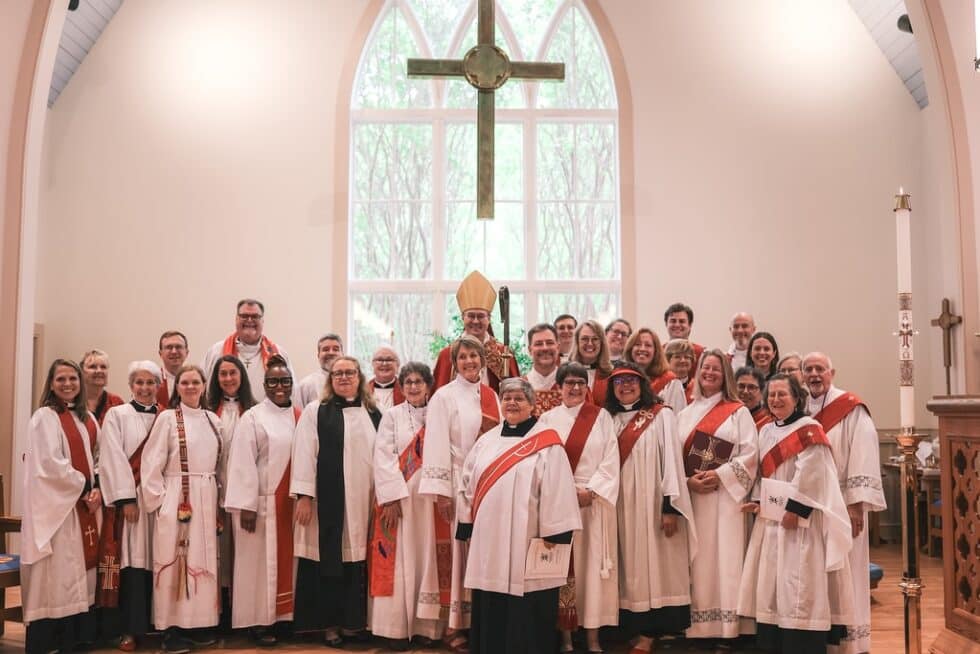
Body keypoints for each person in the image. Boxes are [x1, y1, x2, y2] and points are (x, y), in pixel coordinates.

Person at [457, 378, 581, 654]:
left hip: (529, 540)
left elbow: (558, 487)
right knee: (490, 597)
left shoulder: (547, 442)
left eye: (519, 398)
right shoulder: (486, 441)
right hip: (488, 542)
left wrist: (556, 532)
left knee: (528, 603)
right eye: (507, 398)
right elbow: (467, 483)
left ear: (532, 404)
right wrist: (466, 523)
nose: (511, 403)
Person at [738, 374, 854, 653]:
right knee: (773, 586)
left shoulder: (809, 429)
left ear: (796, 398)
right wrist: (760, 503)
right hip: (772, 520)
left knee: (798, 584)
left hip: (800, 523)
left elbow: (813, 474)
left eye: (782, 394)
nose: (776, 400)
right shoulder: (766, 430)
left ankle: (802, 645)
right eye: (772, 395)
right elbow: (764, 474)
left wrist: (795, 509)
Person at [290, 356, 381, 646]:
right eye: (338, 373)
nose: (343, 377)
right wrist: (304, 496)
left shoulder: (373, 412)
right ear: (330, 379)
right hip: (328, 502)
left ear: (359, 377)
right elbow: (304, 453)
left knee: (358, 561)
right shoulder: (316, 410)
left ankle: (354, 624)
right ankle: (329, 625)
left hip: (364, 501)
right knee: (330, 560)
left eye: (349, 372)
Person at [606, 363, 696, 654]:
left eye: (631, 380)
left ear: (642, 384)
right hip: (618, 506)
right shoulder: (607, 418)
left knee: (655, 565)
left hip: (652, 503)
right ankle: (630, 629)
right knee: (627, 566)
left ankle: (650, 632)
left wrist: (670, 506)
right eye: (619, 381)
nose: (625, 386)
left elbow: (672, 460)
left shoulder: (661, 415)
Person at [419, 335, 501, 652]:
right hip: (455, 483)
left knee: (480, 553)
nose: (469, 361)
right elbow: (436, 442)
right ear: (454, 363)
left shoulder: (492, 396)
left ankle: (477, 619)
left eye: (474, 356)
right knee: (456, 553)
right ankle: (453, 624)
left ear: (482, 360)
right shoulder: (444, 396)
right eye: (463, 357)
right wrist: (442, 492)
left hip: (484, 483)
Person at [803, 352, 885, 654]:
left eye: (820, 369)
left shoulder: (851, 408)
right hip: (811, 505)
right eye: (808, 369)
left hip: (843, 505)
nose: (814, 374)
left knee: (848, 573)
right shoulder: (800, 407)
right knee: (814, 574)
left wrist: (855, 505)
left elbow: (863, 454)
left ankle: (851, 642)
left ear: (832, 373)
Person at [538, 363, 620, 654]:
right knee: (563, 569)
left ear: (587, 387)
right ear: (558, 387)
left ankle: (593, 636)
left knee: (592, 571)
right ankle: (566, 638)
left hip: (593, 502)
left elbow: (611, 458)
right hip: (560, 504)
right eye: (569, 383)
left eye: (580, 383)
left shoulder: (602, 417)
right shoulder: (546, 419)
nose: (574, 388)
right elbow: (541, 461)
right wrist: (565, 492)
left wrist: (592, 491)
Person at [676, 349, 757, 643]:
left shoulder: (738, 412)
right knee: (698, 560)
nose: (709, 373)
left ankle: (728, 629)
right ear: (698, 372)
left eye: (716, 369)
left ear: (725, 375)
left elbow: (751, 454)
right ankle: (698, 627)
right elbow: (674, 460)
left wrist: (721, 475)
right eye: (705, 368)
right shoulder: (684, 414)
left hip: (725, 500)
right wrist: (688, 482)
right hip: (695, 498)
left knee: (727, 558)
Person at [22, 359, 101, 654]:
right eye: (61, 379)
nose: (67, 384)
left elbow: (99, 457)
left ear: (80, 382)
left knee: (77, 575)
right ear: (51, 384)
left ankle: (73, 639)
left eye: (72, 379)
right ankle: (47, 641)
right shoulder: (44, 417)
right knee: (55, 575)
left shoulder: (87, 418)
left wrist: (98, 488)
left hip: (83, 507)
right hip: (57, 510)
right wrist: (85, 485)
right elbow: (49, 465)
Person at [141, 364, 222, 653]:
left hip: (206, 495)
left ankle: (198, 624)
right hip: (178, 498)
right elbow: (151, 463)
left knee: (202, 559)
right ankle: (171, 629)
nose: (190, 387)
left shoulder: (213, 420)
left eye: (195, 382)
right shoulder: (167, 419)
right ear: (177, 387)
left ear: (204, 385)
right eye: (184, 382)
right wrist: (161, 502)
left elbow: (221, 463)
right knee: (175, 559)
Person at [369, 362, 447, 649]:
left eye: (419, 381)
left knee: (429, 559)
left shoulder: (439, 415)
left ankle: (427, 629)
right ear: (401, 388)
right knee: (400, 561)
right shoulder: (392, 416)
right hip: (401, 502)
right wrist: (389, 498)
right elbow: (383, 456)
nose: (413, 387)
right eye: (408, 382)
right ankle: (396, 629)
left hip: (431, 502)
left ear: (428, 385)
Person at [222, 354, 299, 645]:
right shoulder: (253, 417)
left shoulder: (300, 415)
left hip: (289, 504)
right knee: (256, 566)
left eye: (285, 381)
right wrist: (247, 505)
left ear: (292, 383)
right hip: (260, 503)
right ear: (264, 385)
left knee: (287, 565)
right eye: (273, 381)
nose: (280, 386)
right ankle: (257, 621)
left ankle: (283, 618)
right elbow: (242, 462)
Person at [98, 360, 164, 651]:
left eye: (150, 382)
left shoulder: (166, 416)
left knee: (159, 562)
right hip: (133, 503)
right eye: (139, 382)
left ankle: (158, 626)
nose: (145, 388)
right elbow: (111, 457)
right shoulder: (117, 415)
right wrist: (126, 499)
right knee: (134, 563)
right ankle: (130, 629)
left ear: (159, 386)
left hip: (160, 502)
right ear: (130, 385)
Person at [205, 354, 257, 622]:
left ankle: (242, 609)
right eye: (222, 374)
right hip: (213, 488)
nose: (228, 379)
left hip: (244, 490)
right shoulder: (206, 410)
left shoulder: (254, 411)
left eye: (232, 373)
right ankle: (219, 610)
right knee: (217, 550)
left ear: (242, 377)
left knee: (242, 551)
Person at [431, 270, 519, 392]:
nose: (476, 321)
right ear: (463, 317)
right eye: (471, 316)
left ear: (489, 319)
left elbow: (516, 394)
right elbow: (438, 395)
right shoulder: (447, 355)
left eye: (481, 316)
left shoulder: (503, 354)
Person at [202, 298, 291, 402]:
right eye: (244, 316)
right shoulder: (216, 351)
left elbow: (291, 392)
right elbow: (201, 387)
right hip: (225, 410)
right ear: (236, 319)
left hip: (268, 412)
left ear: (262, 321)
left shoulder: (278, 354)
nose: (249, 320)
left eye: (255, 316)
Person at [624, 327, 687, 412]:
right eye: (637, 344)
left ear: (656, 351)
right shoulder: (622, 380)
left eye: (648, 345)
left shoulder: (671, 383)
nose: (642, 349)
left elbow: (678, 416)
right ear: (630, 349)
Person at [570, 319, 613, 406]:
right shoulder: (566, 372)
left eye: (595, 339)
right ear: (577, 342)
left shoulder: (611, 374)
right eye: (584, 339)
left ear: (602, 343)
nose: (590, 343)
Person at [524, 323, 563, 416]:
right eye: (538, 344)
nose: (545, 348)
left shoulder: (573, 386)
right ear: (530, 350)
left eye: (549, 343)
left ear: (558, 347)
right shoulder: (520, 387)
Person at [296, 333, 344, 407]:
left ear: (342, 354)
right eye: (326, 349)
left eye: (335, 349)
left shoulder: (353, 383)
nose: (331, 353)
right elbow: (299, 411)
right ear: (318, 355)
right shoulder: (306, 385)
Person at [81, 349, 124, 425]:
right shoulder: (72, 401)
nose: (99, 371)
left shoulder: (116, 402)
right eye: (92, 367)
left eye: (103, 367)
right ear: (82, 372)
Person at [157, 331, 190, 406]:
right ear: (160, 353)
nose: (174, 351)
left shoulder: (197, 380)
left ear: (187, 352)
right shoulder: (153, 381)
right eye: (169, 347)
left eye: (178, 347)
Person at [368, 345, 404, 411]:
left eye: (389, 360)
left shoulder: (406, 390)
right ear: (372, 364)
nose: (384, 364)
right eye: (379, 360)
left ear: (398, 364)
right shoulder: (362, 391)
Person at [735, 366, 772, 430]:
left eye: (751, 387)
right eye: (741, 386)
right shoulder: (726, 417)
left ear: (762, 393)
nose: (745, 391)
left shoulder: (769, 421)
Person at [664, 339, 697, 405]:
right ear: (668, 360)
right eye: (677, 357)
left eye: (687, 357)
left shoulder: (698, 387)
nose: (682, 360)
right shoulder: (661, 386)